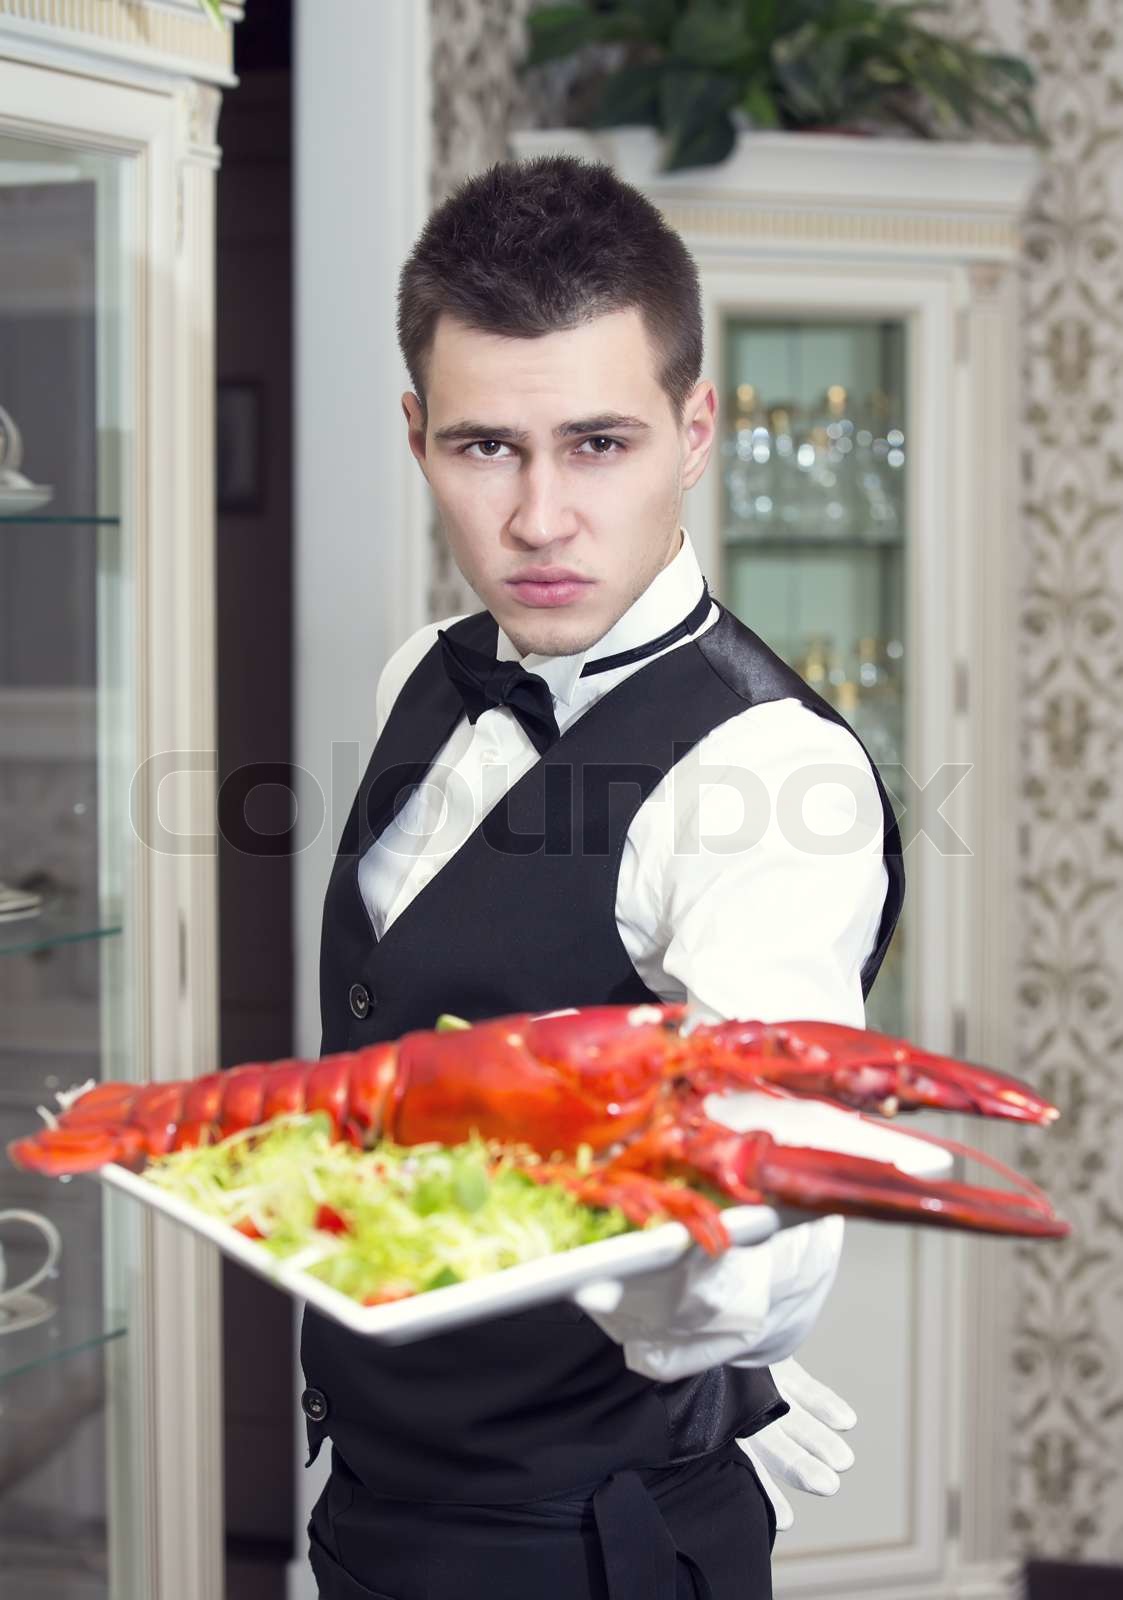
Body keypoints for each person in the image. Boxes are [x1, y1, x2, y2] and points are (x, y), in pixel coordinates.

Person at [301, 153, 904, 1600]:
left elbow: (774, 1155)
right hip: (375, 1491)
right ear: (416, 435)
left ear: (697, 430)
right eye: (486, 448)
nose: (539, 519)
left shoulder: (768, 773)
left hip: (582, 1542)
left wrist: (724, 1315)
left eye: (599, 443)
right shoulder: (420, 678)